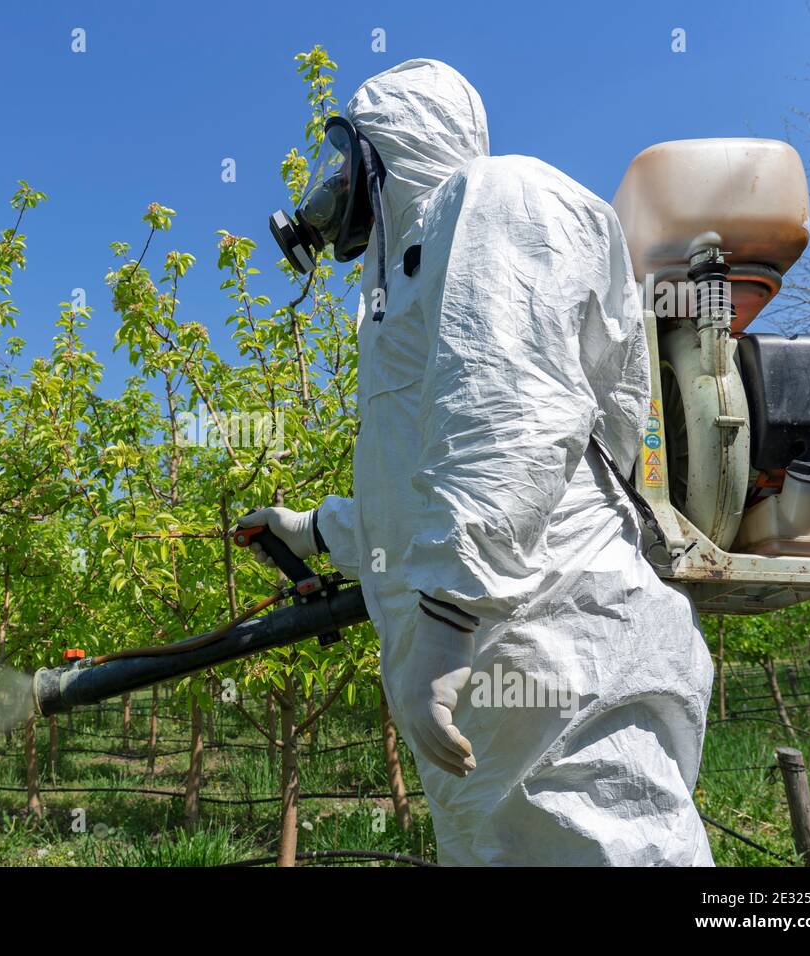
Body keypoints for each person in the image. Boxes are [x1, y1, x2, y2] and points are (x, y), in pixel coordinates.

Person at [242, 58, 713, 866]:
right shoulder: (412, 287)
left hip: (561, 661)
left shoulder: (500, 197)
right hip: (496, 703)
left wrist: (449, 618)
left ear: (385, 150)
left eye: (339, 159)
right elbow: (425, 488)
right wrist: (315, 531)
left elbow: (515, 417)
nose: (326, 188)